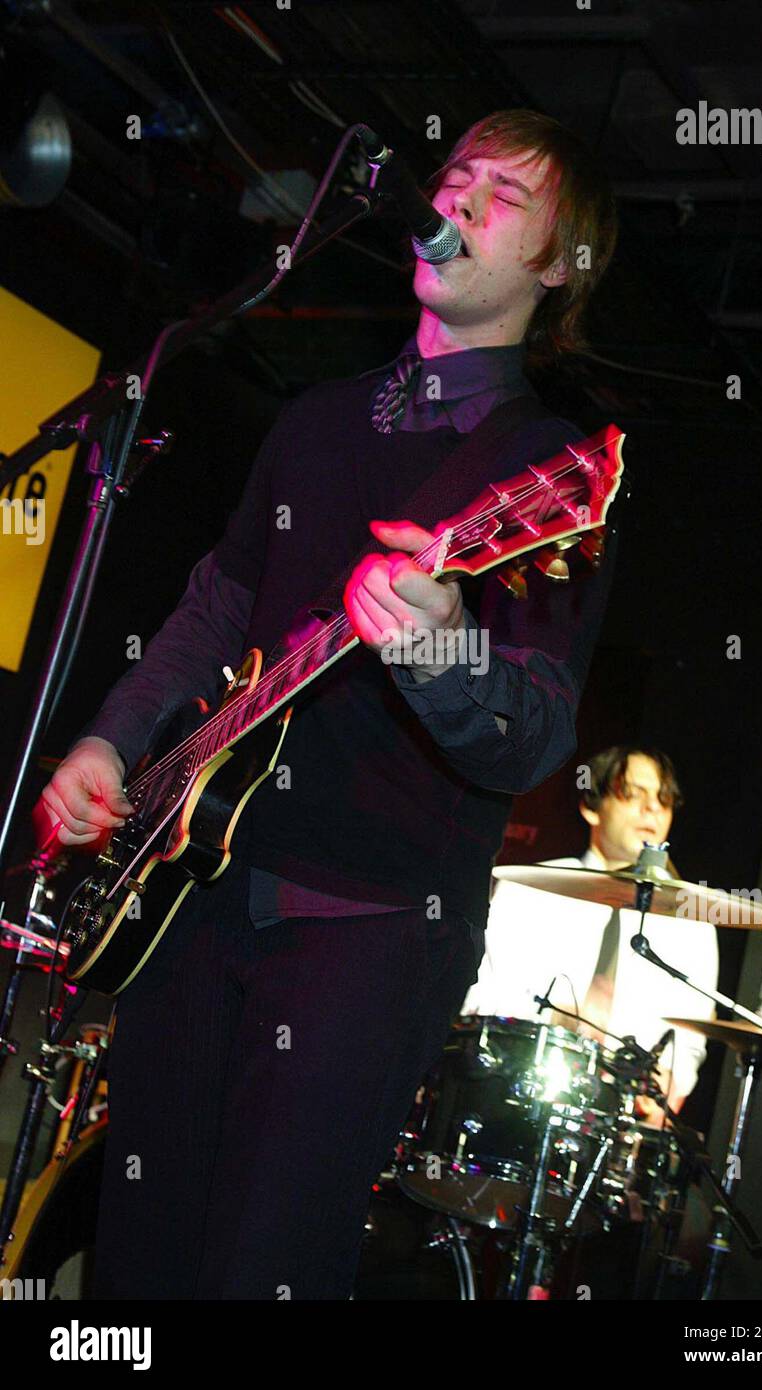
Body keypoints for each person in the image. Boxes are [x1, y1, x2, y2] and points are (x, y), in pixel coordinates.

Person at [33, 110, 620, 1300]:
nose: (453, 198)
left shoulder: (543, 472)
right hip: (190, 900)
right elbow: (213, 607)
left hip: (366, 925)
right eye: (451, 174)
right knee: (134, 1271)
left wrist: (444, 649)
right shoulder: (313, 422)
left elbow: (533, 737)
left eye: (502, 193)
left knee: (261, 1270)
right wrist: (108, 739)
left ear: (558, 267)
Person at [463, 746, 720, 1120]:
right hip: (516, 1098)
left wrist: (672, 1082)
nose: (652, 809)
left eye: (663, 800)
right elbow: (479, 1001)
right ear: (591, 806)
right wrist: (552, 1021)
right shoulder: (531, 889)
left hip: (620, 1120)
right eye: (633, 794)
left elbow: (691, 1039)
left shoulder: (692, 921)